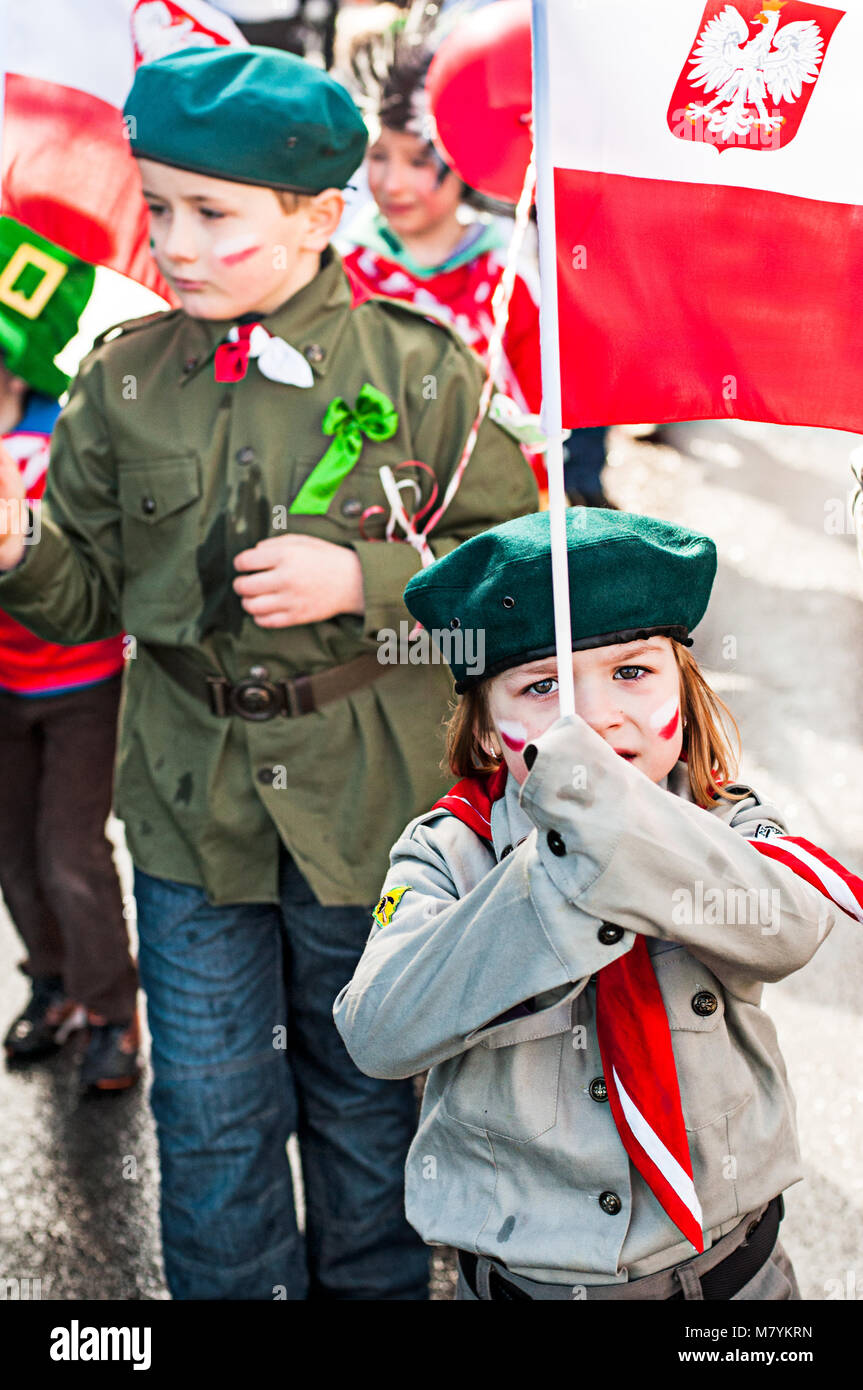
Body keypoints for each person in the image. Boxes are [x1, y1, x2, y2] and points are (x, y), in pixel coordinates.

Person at [0, 46, 537, 1300]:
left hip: (369, 808)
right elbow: (84, 595)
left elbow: (516, 581)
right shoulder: (124, 379)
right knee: (212, 1120)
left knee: (368, 1112)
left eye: (213, 214)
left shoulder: (419, 371)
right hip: (193, 810)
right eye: (160, 206)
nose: (175, 243)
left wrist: (370, 581)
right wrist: (22, 547)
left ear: (316, 216)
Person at [334, 507, 863, 1300]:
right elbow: (377, 1032)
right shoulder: (449, 852)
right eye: (542, 686)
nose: (593, 717)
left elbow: (784, 925)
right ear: (484, 734)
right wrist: (549, 882)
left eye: (631, 671)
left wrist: (626, 839)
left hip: (736, 1279)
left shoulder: (728, 823)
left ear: (681, 696)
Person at [0, 362, 139, 1089]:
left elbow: (97, 553)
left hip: (81, 676)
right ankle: (52, 986)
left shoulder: (63, 429)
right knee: (14, 853)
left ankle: (113, 1009)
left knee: (67, 853)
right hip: (3, 689)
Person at [338, 21, 544, 474]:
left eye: (417, 160)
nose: (392, 183)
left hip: (486, 493)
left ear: (460, 158)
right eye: (378, 156)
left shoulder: (506, 276)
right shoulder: (344, 273)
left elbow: (536, 398)